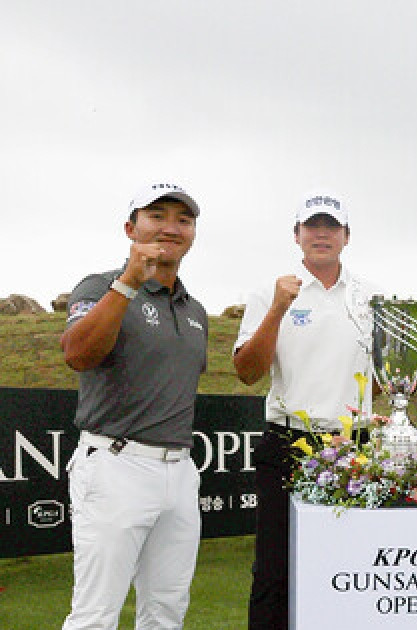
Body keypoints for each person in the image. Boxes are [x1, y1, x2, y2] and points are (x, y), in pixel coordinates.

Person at [60, 183, 208, 629]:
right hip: (115, 463)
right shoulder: (99, 285)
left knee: (166, 610)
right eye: (157, 215)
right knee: (96, 613)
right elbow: (77, 354)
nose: (171, 227)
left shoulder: (195, 309)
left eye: (183, 219)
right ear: (131, 227)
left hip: (179, 471)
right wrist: (126, 284)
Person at [233, 191, 376, 630]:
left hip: (355, 447)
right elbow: (247, 371)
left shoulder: (373, 297)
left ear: (346, 237)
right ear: (296, 236)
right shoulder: (268, 294)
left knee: (350, 568)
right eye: (312, 226)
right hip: (289, 442)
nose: (321, 234)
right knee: (275, 570)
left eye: (331, 226)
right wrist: (278, 309)